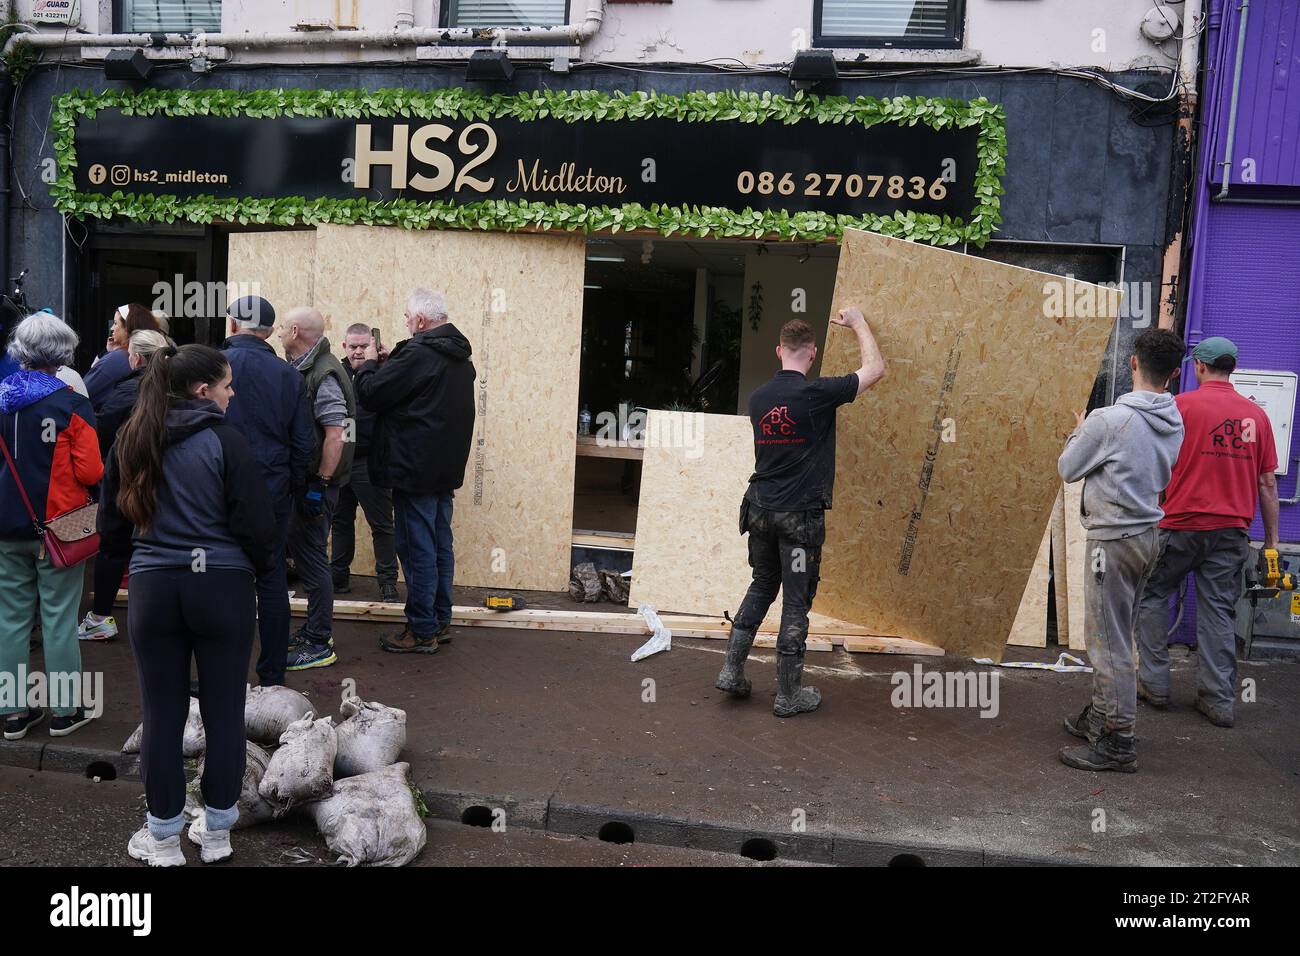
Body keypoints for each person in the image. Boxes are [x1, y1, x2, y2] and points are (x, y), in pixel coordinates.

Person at [101, 344, 275, 866]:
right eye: (226, 385)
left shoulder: (130, 440)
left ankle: (160, 841)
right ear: (203, 391)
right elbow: (257, 527)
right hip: (220, 588)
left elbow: (111, 528)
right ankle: (217, 833)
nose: (232, 392)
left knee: (162, 714)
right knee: (225, 712)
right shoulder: (227, 442)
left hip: (154, 589)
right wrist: (256, 569)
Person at [715, 310, 885, 717]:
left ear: (779, 351)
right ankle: (788, 695)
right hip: (797, 519)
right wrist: (859, 322)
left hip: (759, 510)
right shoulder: (818, 395)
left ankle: (731, 671)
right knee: (795, 602)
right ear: (812, 353)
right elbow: (875, 370)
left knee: (761, 585)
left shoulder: (758, 399)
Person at [1057, 329, 1186, 773]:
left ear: (1133, 363)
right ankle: (1099, 713)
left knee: (1106, 643)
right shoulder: (1174, 418)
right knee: (1118, 635)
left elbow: (1068, 468)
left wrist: (1079, 432)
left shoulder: (1109, 421)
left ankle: (1117, 741)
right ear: (1173, 374)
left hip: (1111, 543)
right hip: (1148, 537)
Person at [1135, 336, 1280, 729]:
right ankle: (1217, 701)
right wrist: (1271, 542)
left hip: (1179, 525)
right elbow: (1267, 485)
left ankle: (1154, 685)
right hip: (1230, 531)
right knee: (1218, 610)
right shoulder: (1257, 417)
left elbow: (1152, 464)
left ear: (1199, 367)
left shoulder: (1179, 407)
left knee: (1151, 595)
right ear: (1231, 368)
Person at [0, 312, 104, 739]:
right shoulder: (72, 404)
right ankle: (64, 710)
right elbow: (92, 470)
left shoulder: (1, 398)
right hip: (57, 527)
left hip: (6, 526)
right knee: (60, 619)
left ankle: (13, 713)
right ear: (62, 356)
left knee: (10, 620)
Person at [354, 288, 474, 654]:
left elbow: (372, 394)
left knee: (416, 547)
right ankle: (439, 620)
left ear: (421, 321)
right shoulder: (459, 356)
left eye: (407, 318)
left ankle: (421, 630)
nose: (405, 323)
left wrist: (371, 364)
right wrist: (396, 363)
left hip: (413, 469)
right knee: (439, 544)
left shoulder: (419, 353)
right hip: (442, 470)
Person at [220, 295, 314, 686]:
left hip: (219, 487)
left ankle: (222, 673)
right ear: (270, 331)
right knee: (271, 578)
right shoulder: (288, 375)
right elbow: (303, 443)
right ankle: (272, 674)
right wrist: (296, 488)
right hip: (273, 490)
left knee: (223, 578)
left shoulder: (213, 366)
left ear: (232, 325)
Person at [77, 329, 170, 642]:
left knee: (113, 548)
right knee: (160, 548)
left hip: (124, 482)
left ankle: (101, 618)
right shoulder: (175, 391)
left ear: (136, 358)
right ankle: (160, 618)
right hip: (165, 483)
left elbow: (101, 434)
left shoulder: (125, 393)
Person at [279, 307, 355, 670]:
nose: (278, 332)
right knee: (309, 558)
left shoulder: (323, 373)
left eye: (282, 327)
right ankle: (314, 629)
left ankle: (318, 642)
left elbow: (336, 434)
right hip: (311, 481)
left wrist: (319, 484)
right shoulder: (309, 367)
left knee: (311, 561)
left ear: (294, 330)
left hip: (316, 484)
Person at [331, 322, 399, 603]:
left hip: (371, 463)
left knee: (381, 525)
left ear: (373, 346)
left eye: (364, 346)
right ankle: (338, 578)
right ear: (344, 347)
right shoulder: (334, 373)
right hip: (340, 461)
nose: (358, 352)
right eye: (353, 346)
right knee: (340, 521)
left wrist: (388, 362)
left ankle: (387, 583)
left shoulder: (383, 372)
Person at [84, 303, 159, 411]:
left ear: (127, 328)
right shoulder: (151, 356)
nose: (112, 328)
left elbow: (83, 391)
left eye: (115, 323)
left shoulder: (117, 359)